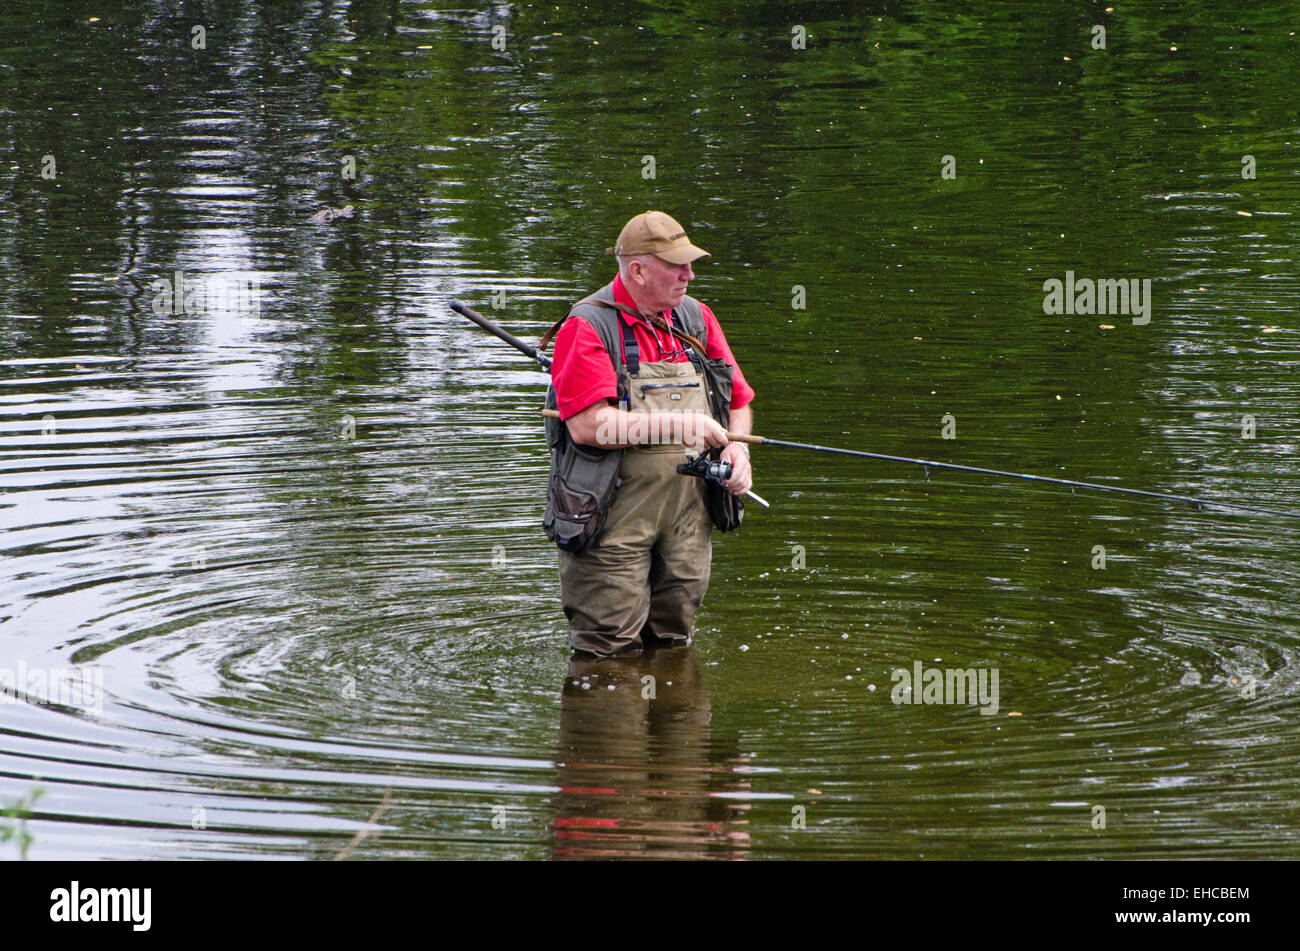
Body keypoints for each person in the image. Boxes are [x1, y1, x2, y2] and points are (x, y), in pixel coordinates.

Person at [547, 210, 755, 657]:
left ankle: (675, 721)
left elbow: (738, 400)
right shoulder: (587, 326)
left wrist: (738, 451)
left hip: (688, 517)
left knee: (674, 645)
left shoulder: (697, 319)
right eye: (677, 265)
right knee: (608, 655)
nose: (689, 275)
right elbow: (587, 426)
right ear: (638, 270)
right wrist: (683, 424)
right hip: (610, 519)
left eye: (690, 263)